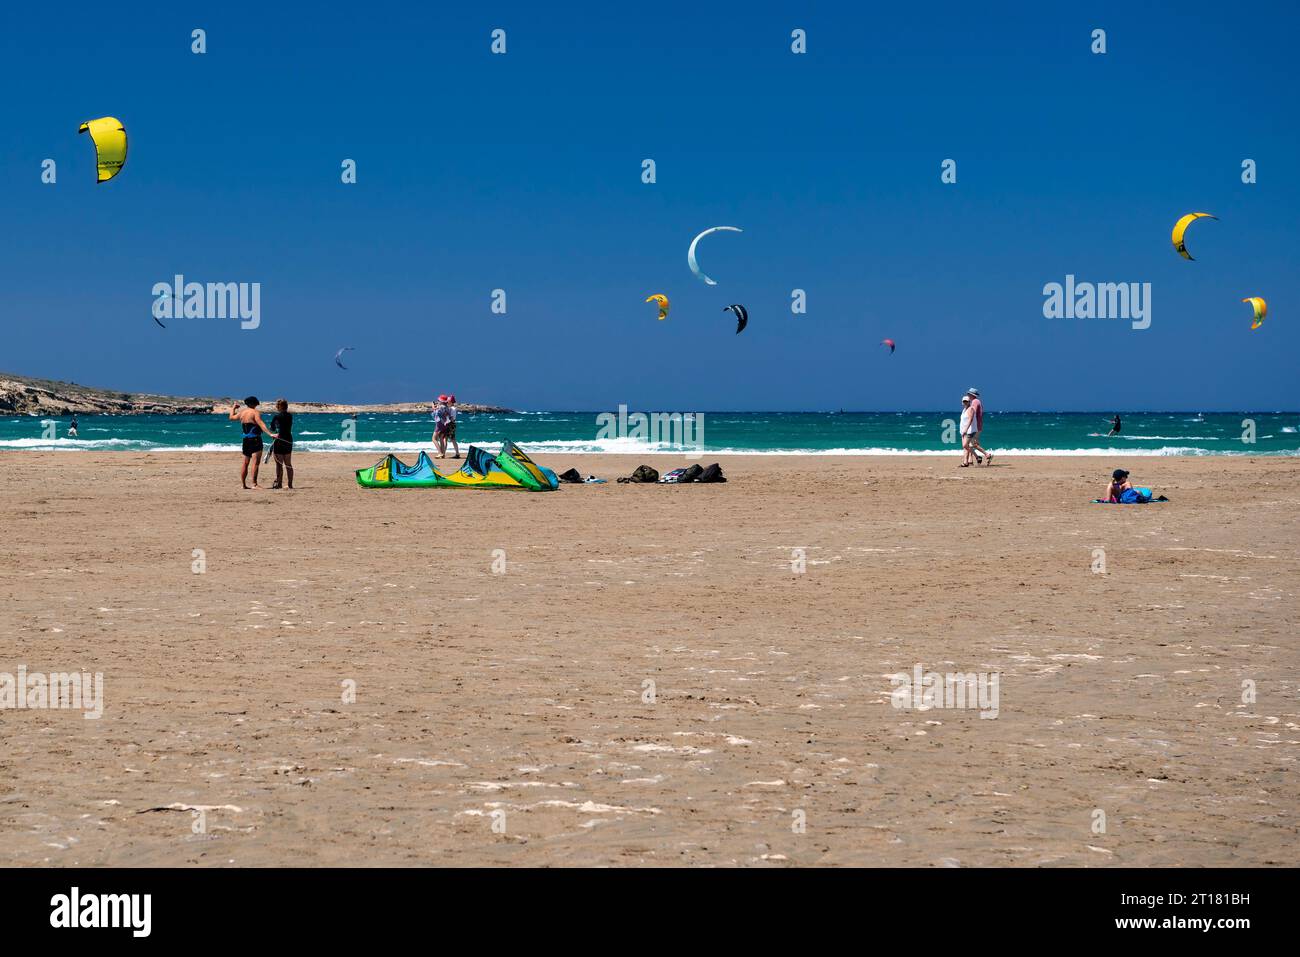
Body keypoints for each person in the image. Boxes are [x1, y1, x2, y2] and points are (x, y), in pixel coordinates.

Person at [228, 396, 278, 489]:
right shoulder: (255, 412)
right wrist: (270, 434)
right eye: (256, 403)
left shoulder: (242, 413)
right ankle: (254, 484)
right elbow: (260, 423)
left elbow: (231, 417)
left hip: (245, 440)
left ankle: (243, 485)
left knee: (245, 463)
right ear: (253, 404)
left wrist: (233, 408)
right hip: (255, 439)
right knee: (255, 463)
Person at [269, 398, 294, 490]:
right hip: (288, 440)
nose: (276, 407)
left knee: (279, 464)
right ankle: (290, 484)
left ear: (279, 406)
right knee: (288, 464)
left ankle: (279, 484)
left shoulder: (277, 416)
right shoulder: (290, 416)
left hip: (279, 440)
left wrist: (273, 431)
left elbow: (272, 428)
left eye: (277, 405)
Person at [965, 388, 993, 465]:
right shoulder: (977, 402)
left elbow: (972, 412)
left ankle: (987, 455)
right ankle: (974, 459)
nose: (968, 395)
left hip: (976, 426)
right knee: (972, 444)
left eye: (968, 394)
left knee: (972, 444)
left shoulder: (974, 402)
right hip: (978, 425)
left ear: (971, 395)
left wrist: (967, 425)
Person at [958, 395, 983, 466]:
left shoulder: (970, 409)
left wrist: (965, 429)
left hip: (969, 431)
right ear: (962, 402)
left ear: (969, 402)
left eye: (966, 401)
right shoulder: (964, 410)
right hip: (963, 431)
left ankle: (977, 456)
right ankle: (965, 462)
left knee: (965, 445)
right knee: (965, 447)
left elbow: (970, 420)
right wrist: (963, 430)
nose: (965, 402)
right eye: (964, 401)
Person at [445, 394, 460, 459]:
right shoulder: (451, 408)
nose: (447, 402)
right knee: (449, 439)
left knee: (451, 439)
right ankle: (457, 453)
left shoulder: (452, 409)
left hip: (451, 424)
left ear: (451, 402)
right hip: (450, 424)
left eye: (448, 401)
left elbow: (452, 418)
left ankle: (457, 453)